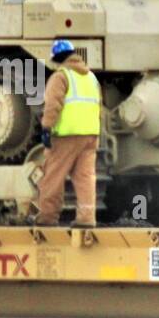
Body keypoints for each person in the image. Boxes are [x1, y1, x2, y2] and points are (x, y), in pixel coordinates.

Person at [35, 39, 101, 227]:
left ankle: (48, 217)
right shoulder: (91, 78)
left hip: (66, 134)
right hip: (90, 135)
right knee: (85, 178)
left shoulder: (61, 76)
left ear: (57, 58)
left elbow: (52, 105)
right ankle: (87, 218)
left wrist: (47, 128)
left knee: (53, 176)